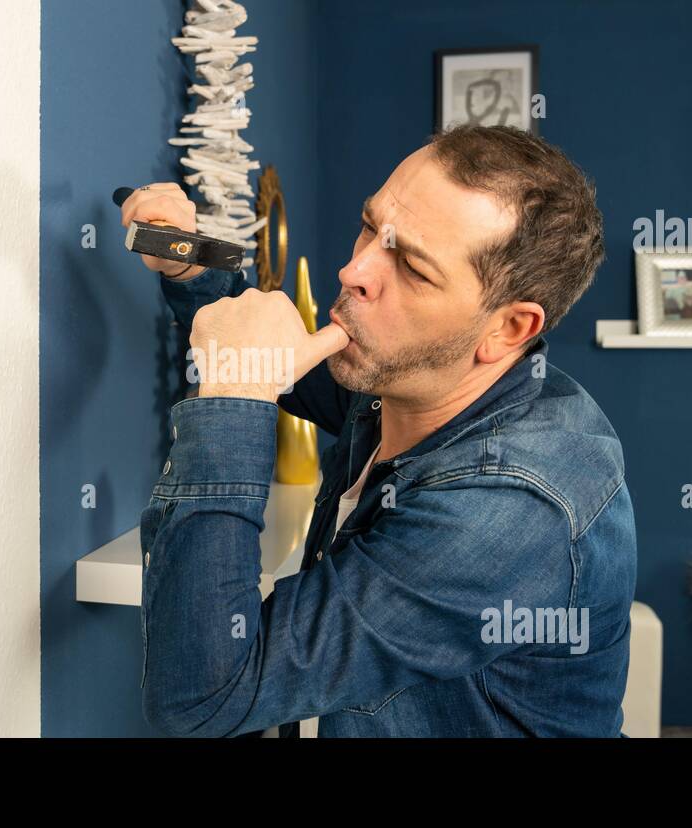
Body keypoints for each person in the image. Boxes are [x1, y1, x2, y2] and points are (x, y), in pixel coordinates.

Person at [120, 124, 637, 738]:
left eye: (413, 267)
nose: (353, 269)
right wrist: (190, 261)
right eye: (371, 227)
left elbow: (201, 698)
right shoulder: (414, 373)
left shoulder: (509, 508)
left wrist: (233, 392)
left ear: (507, 329)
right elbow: (298, 371)